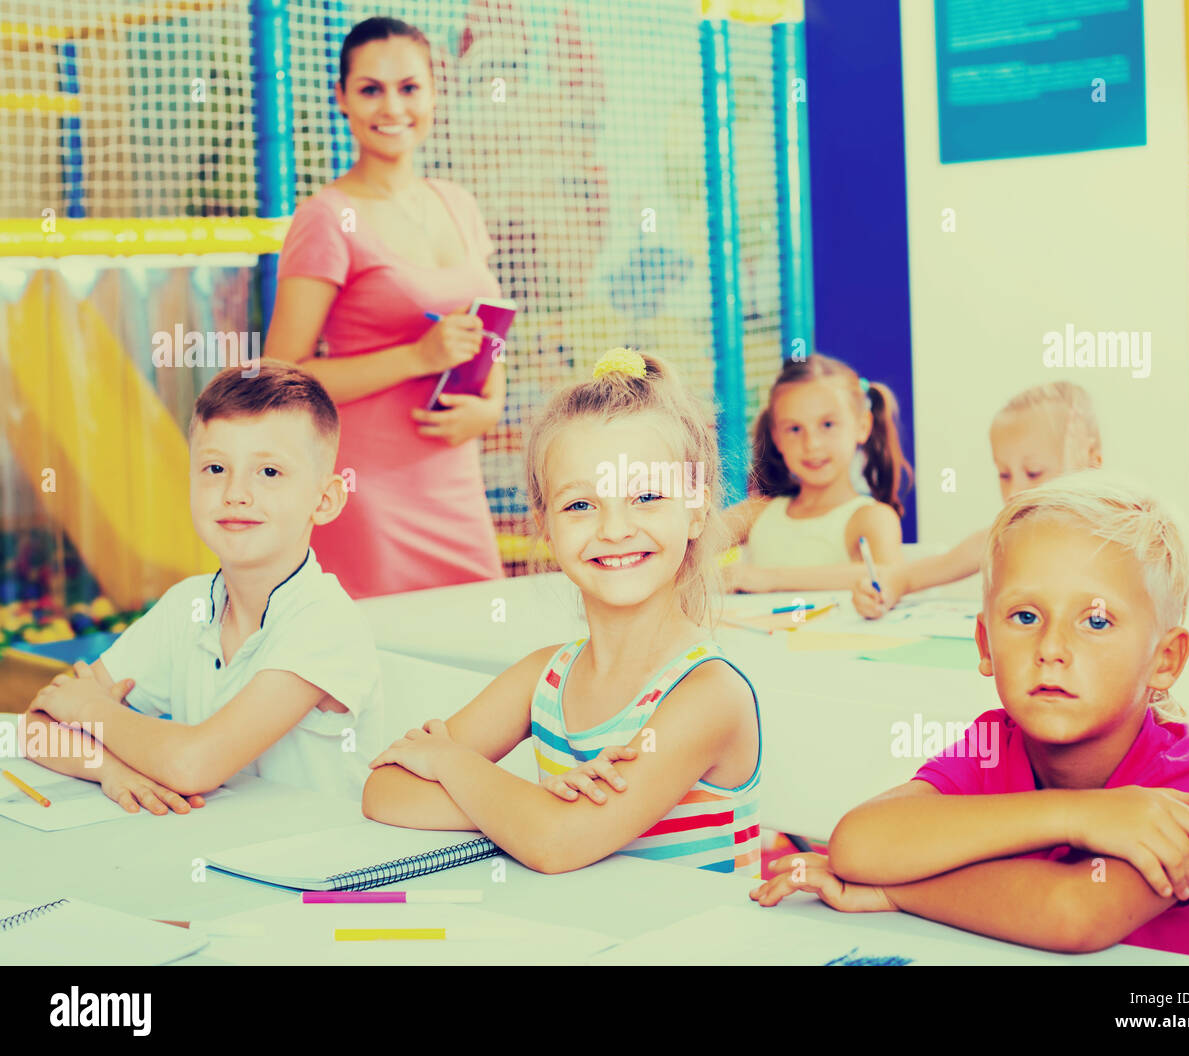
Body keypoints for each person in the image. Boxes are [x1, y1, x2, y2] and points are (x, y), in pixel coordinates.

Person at [754, 471, 1189, 965]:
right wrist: (1077, 814)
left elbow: (1074, 914)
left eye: (1096, 621)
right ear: (985, 644)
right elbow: (859, 845)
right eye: (1025, 617)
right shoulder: (994, 742)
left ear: (1165, 660)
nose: (1051, 647)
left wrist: (892, 889)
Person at [362, 350, 761, 875]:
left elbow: (557, 844)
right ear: (545, 524)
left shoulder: (709, 694)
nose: (614, 528)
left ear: (697, 510)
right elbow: (384, 789)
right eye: (580, 505)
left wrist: (452, 762)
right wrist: (529, 808)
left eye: (645, 496)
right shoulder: (543, 677)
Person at [26, 362, 384, 804]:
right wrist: (110, 769)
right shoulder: (188, 605)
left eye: (269, 472)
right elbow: (38, 727)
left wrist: (90, 709)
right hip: (209, 848)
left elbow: (193, 765)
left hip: (314, 862)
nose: (235, 493)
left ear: (324, 500)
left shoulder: (324, 623)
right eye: (215, 469)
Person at [266, 16, 505, 598]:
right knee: (386, 668)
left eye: (408, 87)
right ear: (341, 99)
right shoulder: (326, 217)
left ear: (433, 91)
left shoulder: (458, 205)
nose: (391, 106)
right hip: (366, 488)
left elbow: (489, 330)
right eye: (370, 89)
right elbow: (279, 377)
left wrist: (491, 406)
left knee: (482, 649)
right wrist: (416, 357)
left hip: (455, 480)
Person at [854, 380, 1102, 618]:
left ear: (1091, 462)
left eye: (1033, 472)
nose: (1014, 490)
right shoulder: (1002, 537)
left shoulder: (1115, 541)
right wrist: (883, 589)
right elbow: (911, 576)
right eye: (1004, 475)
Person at [725, 353, 911, 592]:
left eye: (827, 425)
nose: (811, 444)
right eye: (794, 428)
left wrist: (771, 579)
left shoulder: (871, 518)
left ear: (862, 426)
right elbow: (689, 544)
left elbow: (893, 576)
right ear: (776, 437)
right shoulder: (755, 513)